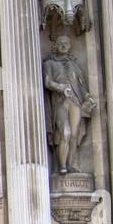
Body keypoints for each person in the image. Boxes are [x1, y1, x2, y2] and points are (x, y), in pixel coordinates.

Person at [42, 34, 95, 176]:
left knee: (74, 135)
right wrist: (60, 87)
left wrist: (88, 97)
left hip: (75, 101)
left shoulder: (74, 65)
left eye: (66, 43)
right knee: (65, 132)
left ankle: (72, 165)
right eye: (60, 43)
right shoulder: (49, 64)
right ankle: (62, 166)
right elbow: (47, 82)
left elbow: (81, 85)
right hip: (60, 102)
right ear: (55, 46)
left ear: (70, 46)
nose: (64, 45)